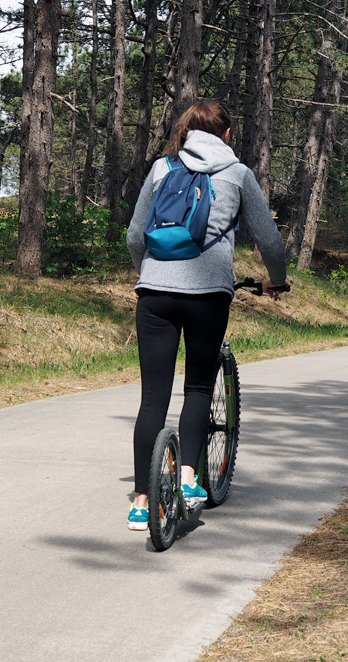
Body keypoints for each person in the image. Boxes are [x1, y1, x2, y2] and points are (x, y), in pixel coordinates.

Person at [124, 99, 288, 531]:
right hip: (208, 295)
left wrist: (151, 274)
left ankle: (141, 503)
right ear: (227, 135)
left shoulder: (162, 168)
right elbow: (270, 242)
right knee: (198, 387)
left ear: (187, 131)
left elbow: (134, 235)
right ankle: (189, 477)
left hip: (155, 294)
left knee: (152, 399)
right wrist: (277, 279)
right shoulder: (238, 174)